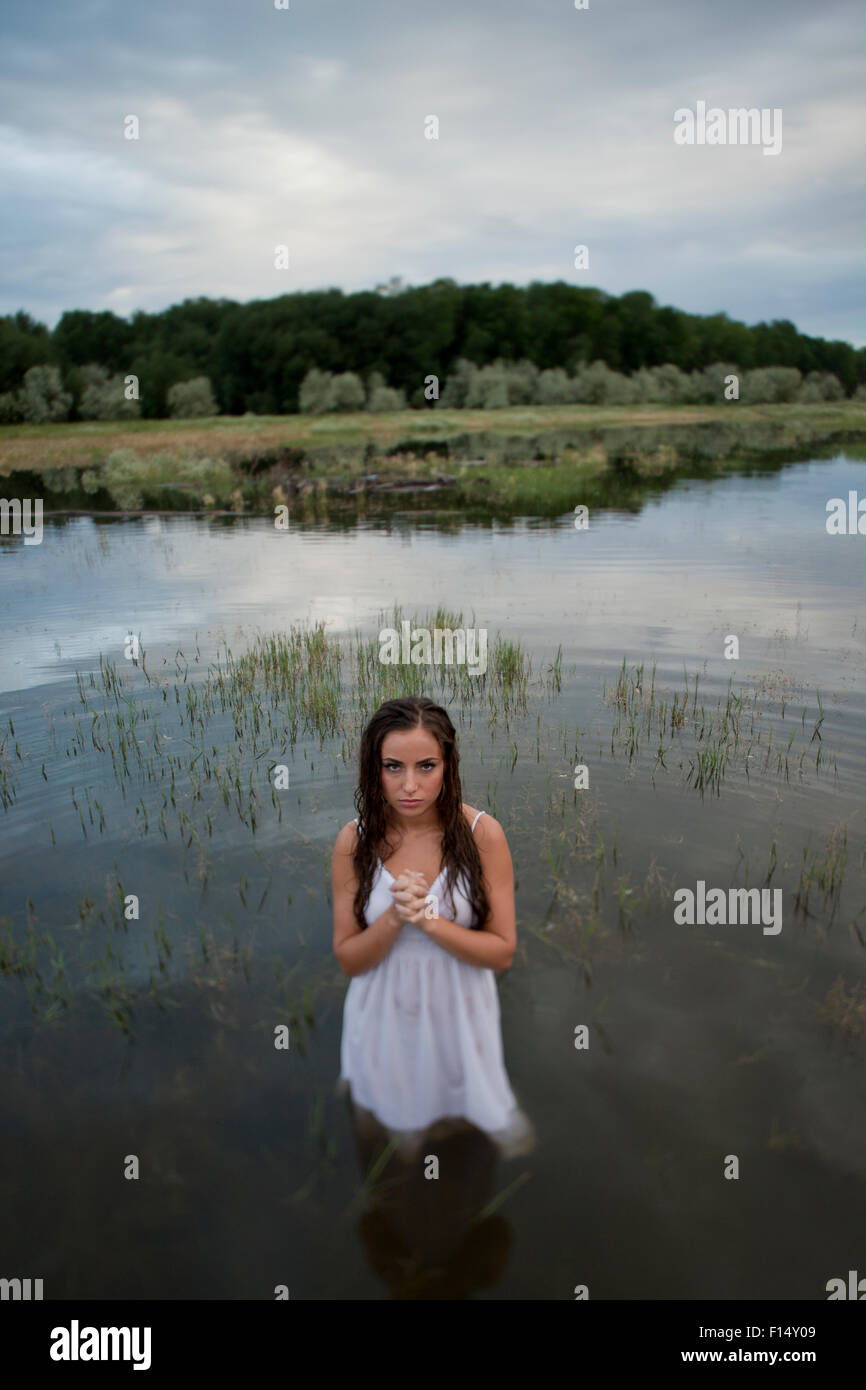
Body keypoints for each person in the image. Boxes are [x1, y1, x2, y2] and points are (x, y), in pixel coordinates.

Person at [332, 695, 534, 1157]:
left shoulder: (483, 834)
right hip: (384, 1008)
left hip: (461, 1008)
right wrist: (393, 918)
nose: (409, 786)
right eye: (393, 767)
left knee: (485, 1126)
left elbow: (502, 952)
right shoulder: (353, 841)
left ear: (448, 764)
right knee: (395, 1138)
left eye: (426, 766)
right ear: (373, 768)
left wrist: (428, 920)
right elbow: (348, 959)